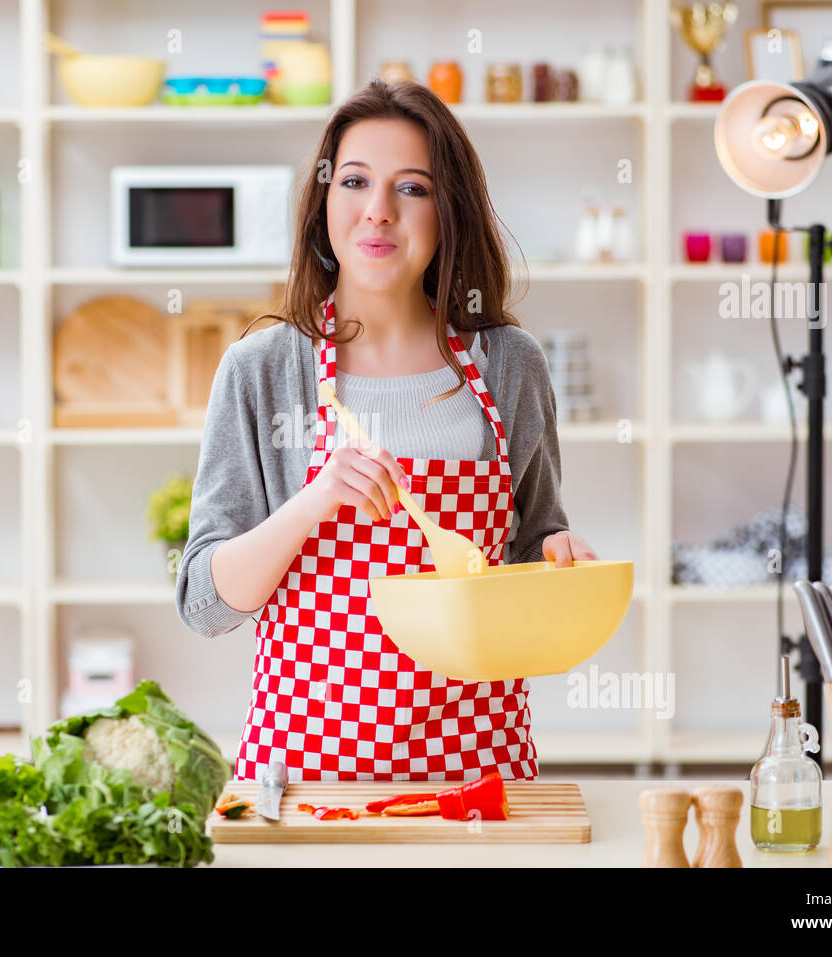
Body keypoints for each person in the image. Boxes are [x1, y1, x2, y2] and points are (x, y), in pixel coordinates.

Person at [176, 79, 597, 783]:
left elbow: (529, 548)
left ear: (447, 210)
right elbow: (204, 603)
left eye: (412, 189)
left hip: (476, 771)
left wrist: (556, 556)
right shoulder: (262, 369)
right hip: (306, 775)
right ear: (324, 204)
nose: (378, 212)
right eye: (355, 181)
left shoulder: (509, 364)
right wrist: (311, 502)